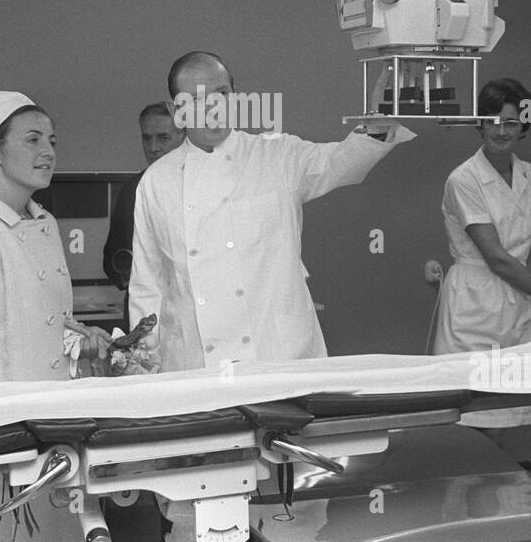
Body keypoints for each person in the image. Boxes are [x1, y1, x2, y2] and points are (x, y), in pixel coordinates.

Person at [128, 51, 414, 372]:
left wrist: (376, 127)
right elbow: (147, 282)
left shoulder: (276, 155)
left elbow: (340, 164)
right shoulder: (156, 182)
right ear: (175, 110)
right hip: (194, 360)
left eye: (221, 94)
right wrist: (141, 357)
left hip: (277, 352)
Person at [0, 92, 109, 542]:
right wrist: (11, 442)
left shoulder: (44, 222)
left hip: (55, 427)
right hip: (8, 439)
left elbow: (50, 320)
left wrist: (81, 341)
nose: (48, 151)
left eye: (52, 139)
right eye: (32, 139)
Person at [427, 78, 531, 430]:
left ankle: (496, 484)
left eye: (511, 122)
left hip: (519, 305)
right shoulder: (464, 179)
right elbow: (498, 258)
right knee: (472, 414)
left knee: (507, 413)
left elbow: (526, 250)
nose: (501, 131)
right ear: (479, 124)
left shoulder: (530, 175)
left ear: (523, 128)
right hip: (475, 304)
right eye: (492, 121)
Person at [102, 102, 184, 291]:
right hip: (144, 307)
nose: (153, 147)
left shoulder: (209, 187)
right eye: (147, 139)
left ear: (184, 136)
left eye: (164, 138)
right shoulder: (132, 189)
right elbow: (113, 258)